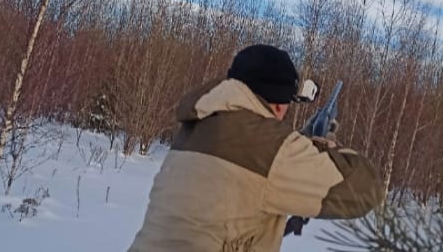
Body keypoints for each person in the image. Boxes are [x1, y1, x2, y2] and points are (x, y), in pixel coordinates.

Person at [128, 44, 383, 252]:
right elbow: (364, 191)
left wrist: (299, 145)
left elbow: (237, 203)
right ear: (281, 104)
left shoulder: (199, 125)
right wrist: (325, 143)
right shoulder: (270, 149)